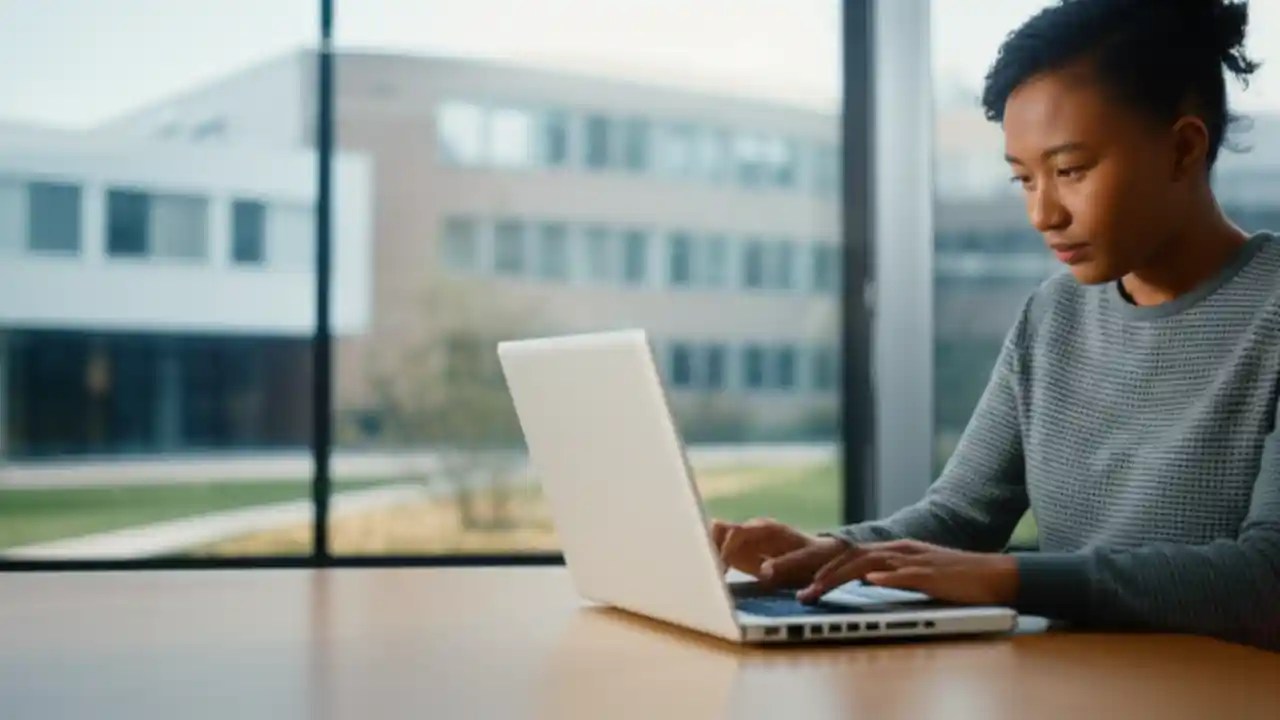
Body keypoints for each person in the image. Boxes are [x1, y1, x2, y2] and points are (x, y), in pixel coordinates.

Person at [711, 0, 1280, 650]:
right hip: (1079, 684)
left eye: (1070, 171)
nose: (1043, 214)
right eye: (1023, 179)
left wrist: (1008, 578)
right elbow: (961, 516)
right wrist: (827, 551)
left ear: (1183, 149)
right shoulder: (1053, 315)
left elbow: (1266, 579)